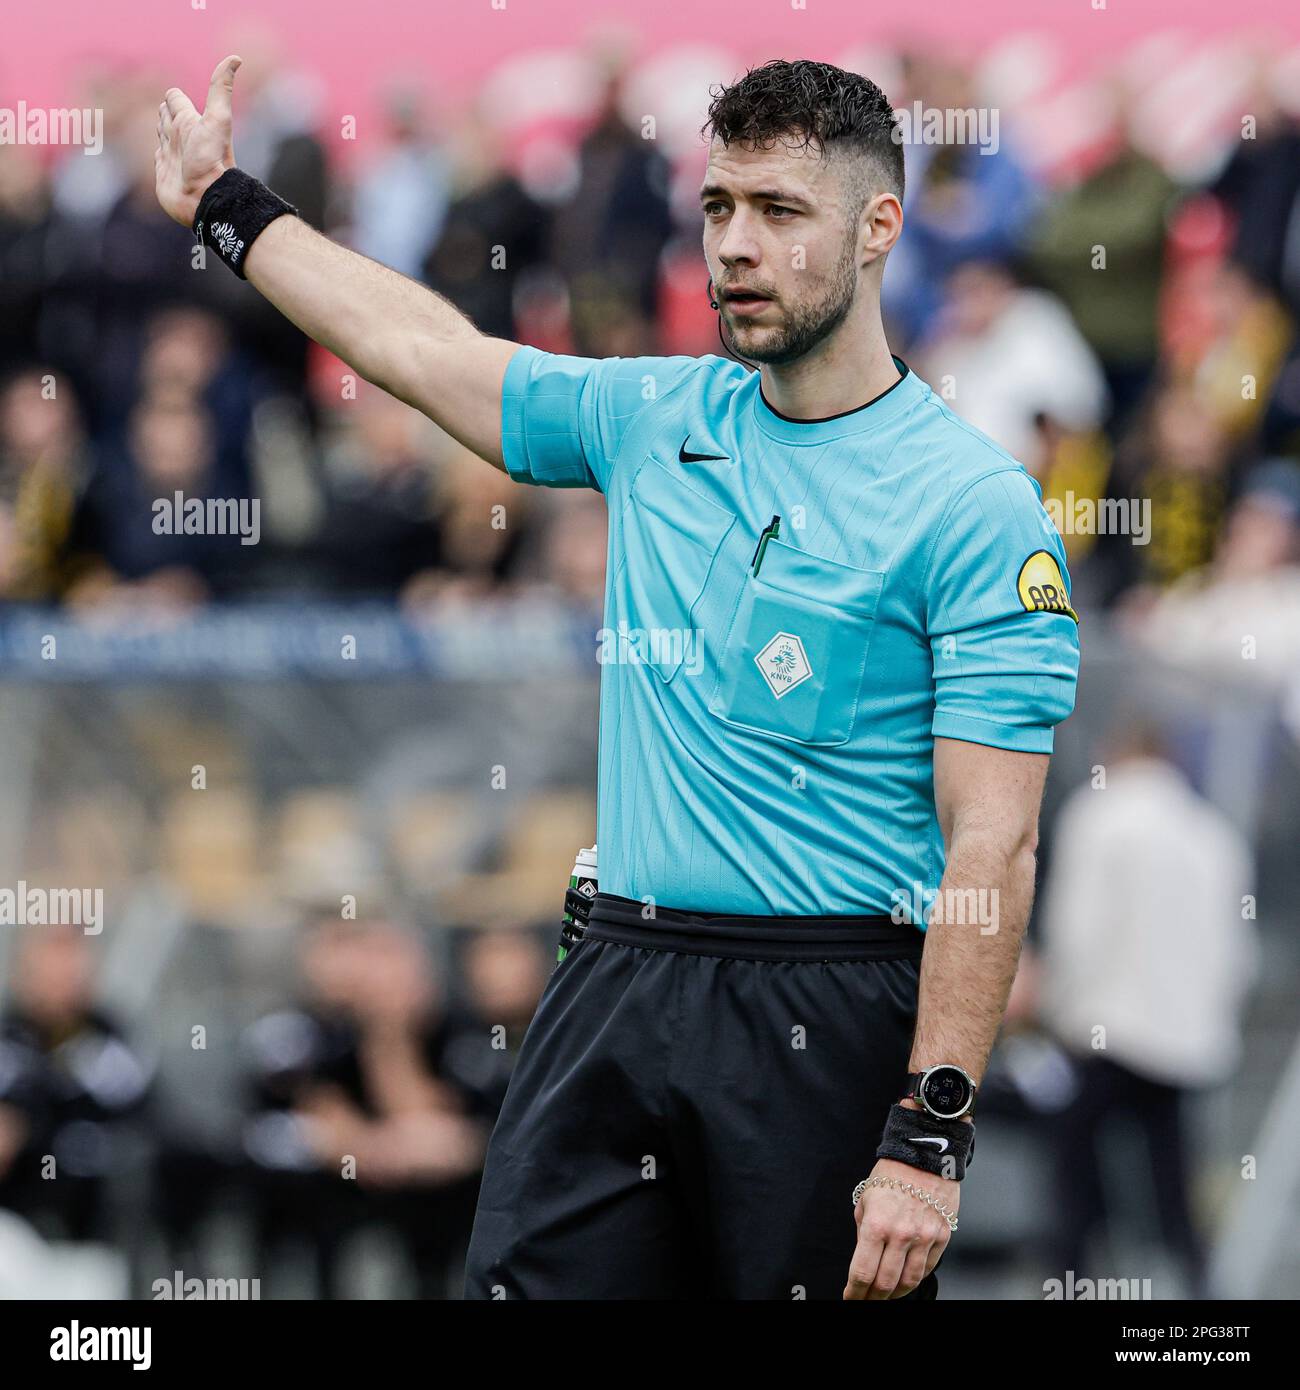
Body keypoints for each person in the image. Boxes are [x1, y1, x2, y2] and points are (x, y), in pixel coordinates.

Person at [153, 55, 1080, 1300]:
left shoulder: (974, 505)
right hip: (619, 981)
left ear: (877, 230)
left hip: (828, 1012)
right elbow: (422, 348)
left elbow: (994, 847)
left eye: (779, 212)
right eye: (717, 208)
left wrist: (931, 1128)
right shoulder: (652, 416)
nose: (734, 247)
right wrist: (228, 204)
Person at [1036, 722, 1257, 1298]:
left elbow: (1076, 928)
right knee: (1171, 1179)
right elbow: (1237, 952)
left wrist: (1057, 1006)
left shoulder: (1100, 814)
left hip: (1105, 1028)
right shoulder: (1213, 833)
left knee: (1076, 1169)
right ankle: (1199, 1293)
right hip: (1183, 1040)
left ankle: (1072, 1281)